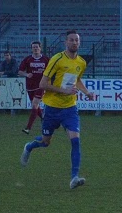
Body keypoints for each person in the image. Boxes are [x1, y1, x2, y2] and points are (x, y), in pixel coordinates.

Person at [20, 31, 91, 189]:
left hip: (70, 108)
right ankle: (29, 147)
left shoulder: (81, 62)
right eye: (71, 40)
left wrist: (87, 93)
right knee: (45, 142)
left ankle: (74, 177)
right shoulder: (57, 59)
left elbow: (77, 79)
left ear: (79, 43)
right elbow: (43, 84)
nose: (74, 42)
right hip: (52, 108)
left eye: (77, 40)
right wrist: (64, 91)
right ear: (66, 42)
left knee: (75, 140)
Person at [18, 40, 49, 134]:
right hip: (30, 86)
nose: (35, 48)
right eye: (34, 47)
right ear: (32, 48)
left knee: (34, 105)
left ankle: (28, 128)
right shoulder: (28, 59)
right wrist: (27, 74)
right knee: (36, 106)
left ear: (40, 48)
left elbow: (52, 70)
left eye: (37, 47)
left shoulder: (46, 59)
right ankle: (44, 118)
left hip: (41, 85)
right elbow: (20, 71)